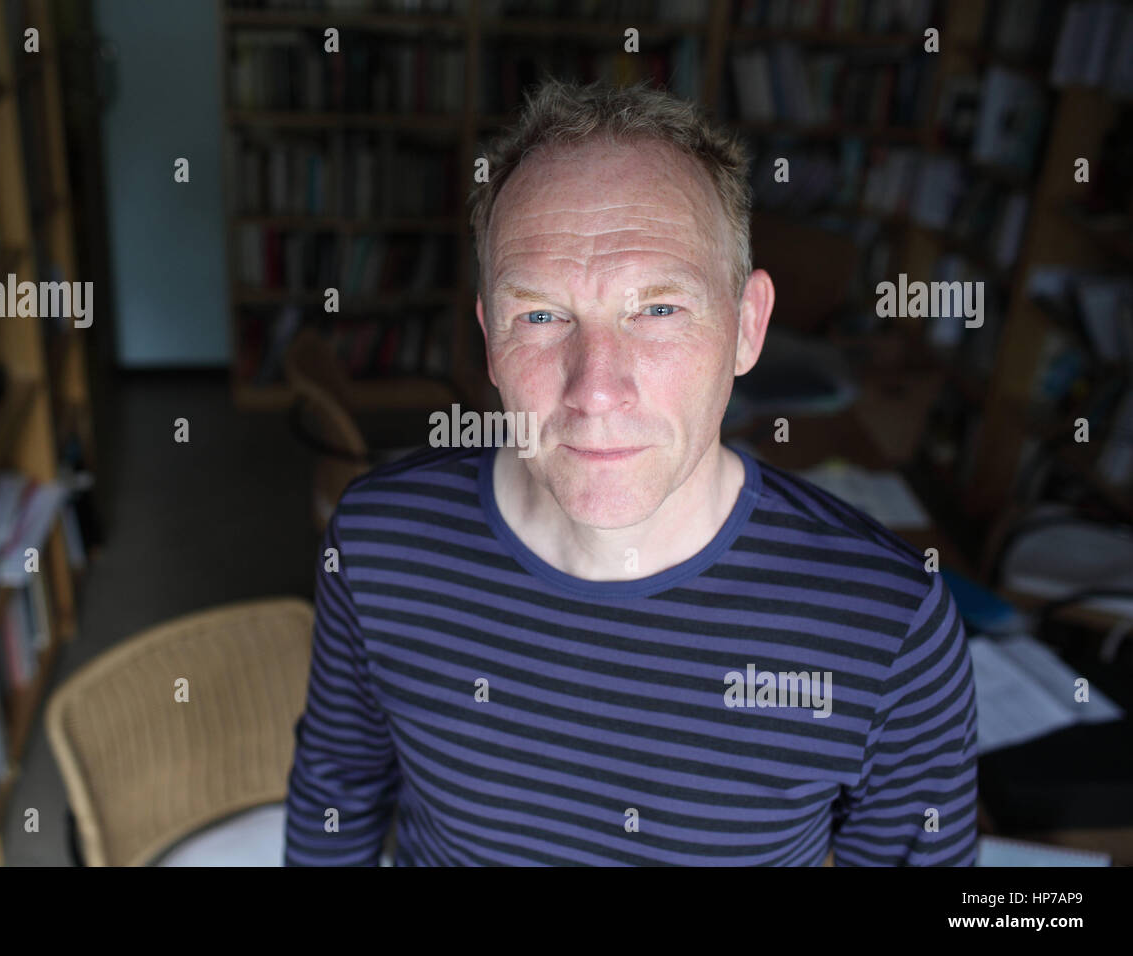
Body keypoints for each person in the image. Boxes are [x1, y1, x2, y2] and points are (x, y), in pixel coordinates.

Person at [284, 78, 977, 866]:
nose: (597, 389)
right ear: (490, 341)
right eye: (540, 315)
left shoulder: (888, 626)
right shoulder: (377, 545)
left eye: (658, 309)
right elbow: (335, 791)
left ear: (747, 327)